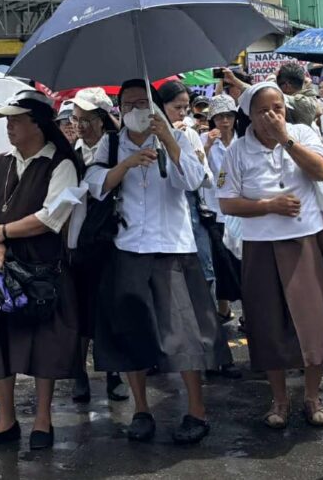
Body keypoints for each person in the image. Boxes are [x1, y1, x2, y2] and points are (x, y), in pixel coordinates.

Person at [88, 80, 217, 446]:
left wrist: (170, 141)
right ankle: (141, 409)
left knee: (183, 334)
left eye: (143, 102)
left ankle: (196, 411)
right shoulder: (111, 143)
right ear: (119, 109)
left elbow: (195, 182)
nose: (135, 109)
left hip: (172, 246)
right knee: (132, 332)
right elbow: (96, 185)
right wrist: (126, 164)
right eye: (128, 104)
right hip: (128, 247)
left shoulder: (180, 136)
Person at [218, 83, 323, 429]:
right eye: (264, 110)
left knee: (314, 324)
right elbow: (227, 202)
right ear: (249, 115)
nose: (273, 115)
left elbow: (322, 171)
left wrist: (286, 141)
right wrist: (267, 206)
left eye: (278, 107)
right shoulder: (237, 151)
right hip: (261, 246)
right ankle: (279, 399)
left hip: (306, 239)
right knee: (268, 325)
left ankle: (311, 396)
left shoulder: (302, 132)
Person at [0, 89, 83, 451]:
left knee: (43, 345)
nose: (9, 127)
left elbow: (52, 217)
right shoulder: (0, 161)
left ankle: (42, 420)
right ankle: (6, 421)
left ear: (38, 123)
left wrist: (2, 232)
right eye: (7, 121)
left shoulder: (60, 165)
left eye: (16, 120)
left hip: (40, 272)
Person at [158, 81, 240, 380]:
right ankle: (168, 354)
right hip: (158, 230)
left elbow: (201, 179)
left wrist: (186, 146)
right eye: (176, 107)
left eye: (184, 106)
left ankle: (215, 355)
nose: (182, 112)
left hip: (193, 216)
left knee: (204, 279)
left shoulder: (187, 133)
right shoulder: (134, 140)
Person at [68, 87, 129, 403]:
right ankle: (78, 371)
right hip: (80, 239)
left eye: (89, 119)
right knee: (81, 307)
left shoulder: (119, 147)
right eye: (77, 119)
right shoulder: (70, 153)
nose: (81, 126)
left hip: (115, 236)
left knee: (111, 307)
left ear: (104, 121)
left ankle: (113, 371)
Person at [203, 94, 242, 321]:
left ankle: (249, 311)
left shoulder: (243, 141)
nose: (224, 122)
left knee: (242, 261)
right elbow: (199, 170)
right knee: (221, 260)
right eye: (219, 117)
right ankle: (224, 307)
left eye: (228, 116)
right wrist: (207, 146)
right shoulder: (205, 140)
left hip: (240, 207)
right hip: (216, 209)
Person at [275, 62, 320, 127]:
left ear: (287, 85)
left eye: (279, 84)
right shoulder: (310, 101)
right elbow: (318, 109)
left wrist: (272, 77)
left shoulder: (289, 101)